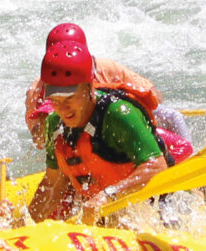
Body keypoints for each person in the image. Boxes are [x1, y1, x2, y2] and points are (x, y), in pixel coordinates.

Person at [29, 41, 169, 225]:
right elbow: (52, 184)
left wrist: (108, 195)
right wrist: (24, 224)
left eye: (69, 97)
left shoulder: (119, 114)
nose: (62, 109)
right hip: (107, 210)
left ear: (89, 87)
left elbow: (157, 167)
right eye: (55, 100)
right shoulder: (54, 124)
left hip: (157, 204)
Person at [25, 22, 192, 149]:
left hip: (116, 123)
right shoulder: (38, 90)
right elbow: (39, 141)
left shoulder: (106, 68)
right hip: (78, 138)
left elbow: (154, 97)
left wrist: (123, 105)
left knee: (172, 116)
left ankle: (188, 166)